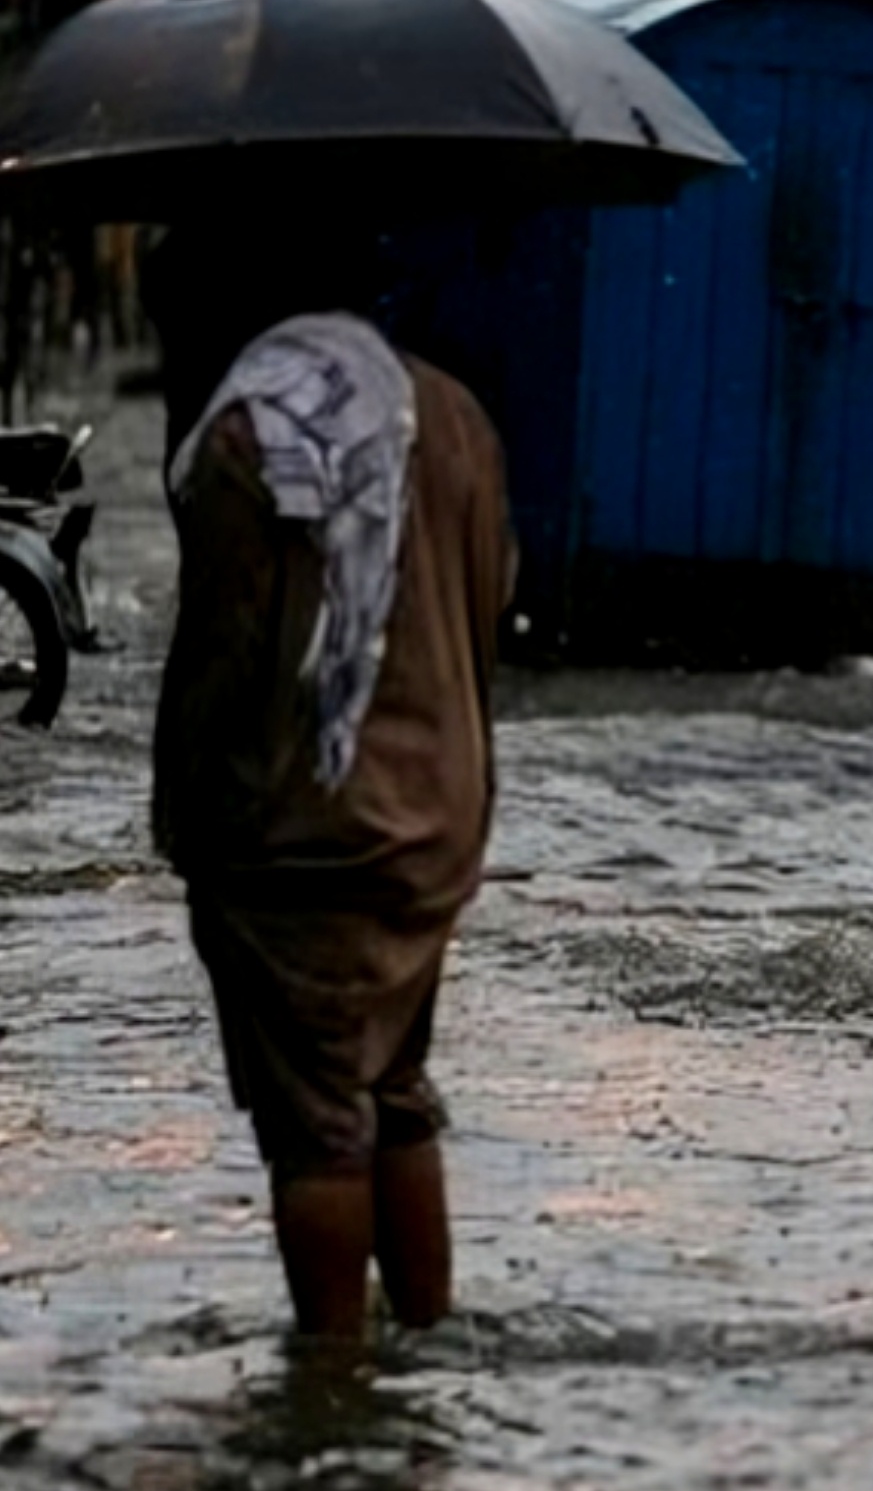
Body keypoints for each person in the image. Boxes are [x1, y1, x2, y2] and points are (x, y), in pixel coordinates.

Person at [147, 222, 514, 1349]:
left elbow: (222, 656)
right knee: (393, 1085)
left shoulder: (253, 435)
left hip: (311, 829)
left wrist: (181, 808)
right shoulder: (450, 411)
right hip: (439, 817)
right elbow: (493, 594)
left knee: (317, 1124)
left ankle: (332, 1388)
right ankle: (424, 1349)